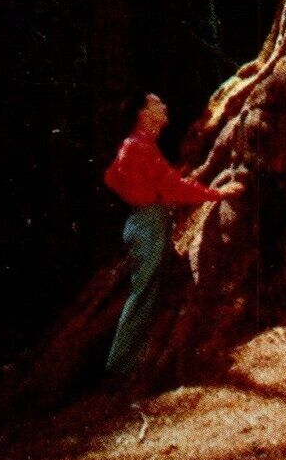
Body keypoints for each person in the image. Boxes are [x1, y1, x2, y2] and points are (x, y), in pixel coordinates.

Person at [102, 92, 243, 375]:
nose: (164, 105)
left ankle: (127, 361)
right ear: (143, 113)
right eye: (156, 103)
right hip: (148, 224)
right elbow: (173, 189)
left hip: (146, 222)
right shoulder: (139, 146)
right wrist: (218, 193)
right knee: (143, 291)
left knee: (150, 289)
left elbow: (112, 177)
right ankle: (119, 365)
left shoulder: (141, 145)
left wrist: (144, 193)